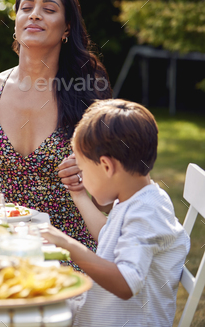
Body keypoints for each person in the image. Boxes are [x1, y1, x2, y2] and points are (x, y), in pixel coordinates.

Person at [0, 0, 111, 255]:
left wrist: (89, 178)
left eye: (49, 9)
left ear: (67, 27)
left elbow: (107, 202)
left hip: (68, 251)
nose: (35, 15)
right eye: (26, 7)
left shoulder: (88, 94)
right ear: (16, 23)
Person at [41, 99, 190, 327]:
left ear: (107, 166)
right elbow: (108, 235)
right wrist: (79, 195)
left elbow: (126, 284)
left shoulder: (147, 212)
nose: (82, 176)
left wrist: (68, 245)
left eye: (82, 169)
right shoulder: (136, 199)